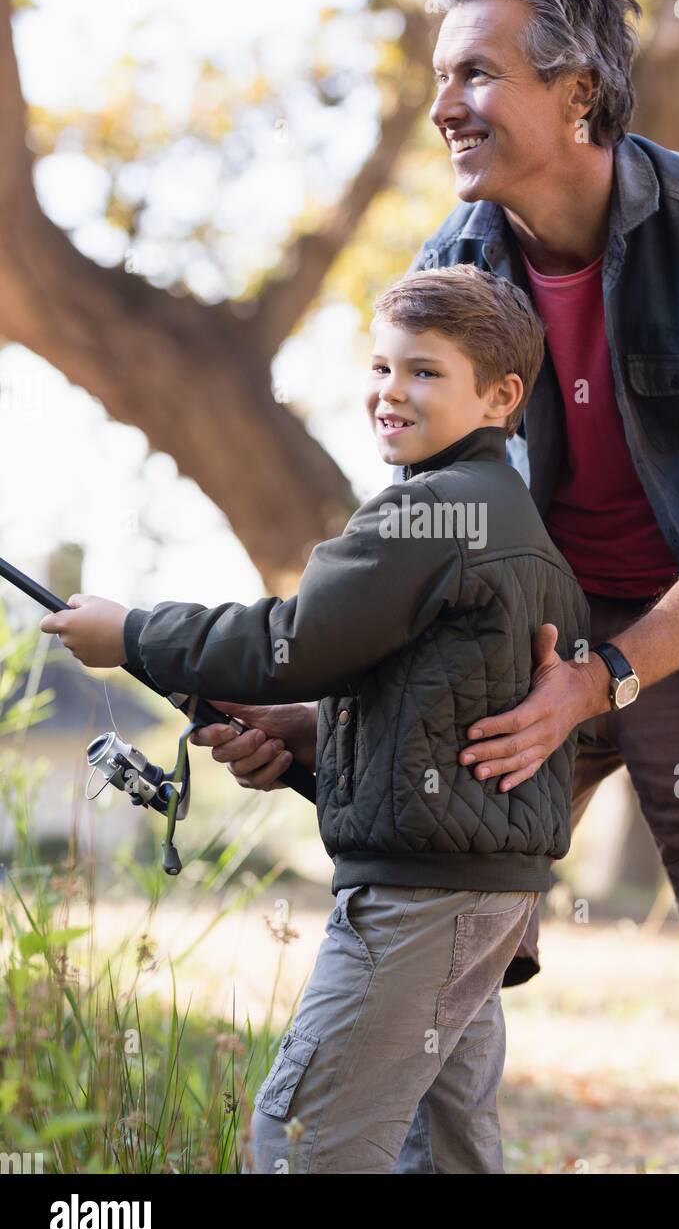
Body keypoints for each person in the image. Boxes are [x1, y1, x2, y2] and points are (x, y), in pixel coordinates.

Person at [197, 0, 679, 1175]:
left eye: (479, 75)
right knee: (444, 917)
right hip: (528, 633)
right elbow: (430, 540)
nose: (445, 104)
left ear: (577, 94)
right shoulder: (453, 269)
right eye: (443, 76)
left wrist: (605, 678)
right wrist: (324, 712)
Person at [39, 263, 593, 1174]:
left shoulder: (433, 511)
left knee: (306, 1136)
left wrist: (131, 632)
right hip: (483, 891)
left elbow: (291, 638)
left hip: (419, 898)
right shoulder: (512, 522)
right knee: (443, 1147)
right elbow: (431, 709)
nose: (390, 392)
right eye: (380, 368)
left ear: (502, 396)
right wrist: (311, 738)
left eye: (423, 372)